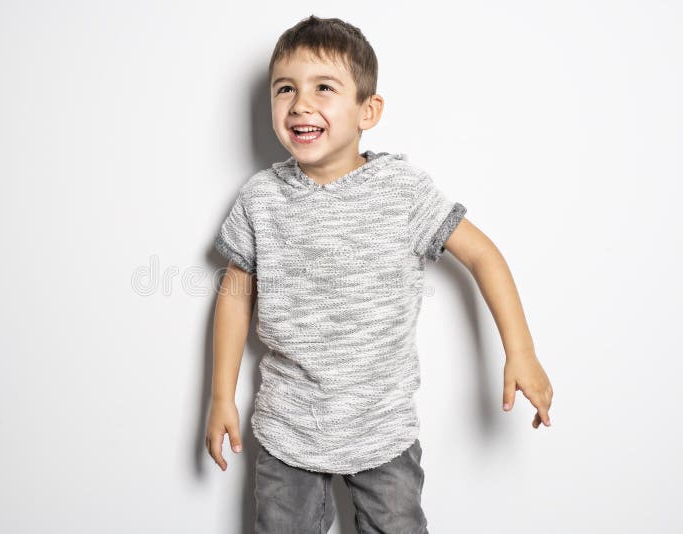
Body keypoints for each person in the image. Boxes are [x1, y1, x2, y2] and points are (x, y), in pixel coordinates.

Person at [206, 14, 553, 534]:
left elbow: (483, 256)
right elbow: (235, 292)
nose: (301, 104)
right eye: (286, 90)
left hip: (381, 428)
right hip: (289, 427)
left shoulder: (400, 190)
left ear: (368, 110)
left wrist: (520, 351)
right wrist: (220, 396)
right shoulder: (261, 198)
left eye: (324, 88)